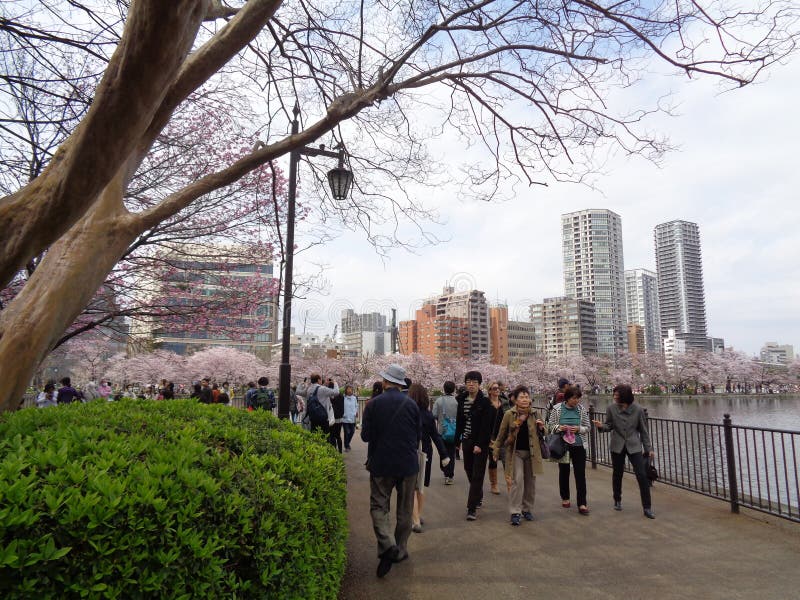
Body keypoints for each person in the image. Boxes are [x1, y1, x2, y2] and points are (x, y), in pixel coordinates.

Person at [361, 364, 420, 578]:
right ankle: (400, 550)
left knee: (379, 506)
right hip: (408, 464)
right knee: (405, 510)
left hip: (382, 464)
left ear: (385, 382)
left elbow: (365, 436)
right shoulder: (412, 405)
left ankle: (387, 545)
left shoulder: (373, 404)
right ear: (401, 383)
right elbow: (417, 435)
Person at [592, 384, 656, 519]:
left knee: (642, 475)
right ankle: (617, 499)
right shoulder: (611, 408)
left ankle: (647, 507)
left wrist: (648, 448)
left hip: (634, 445)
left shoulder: (638, 410)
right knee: (617, 474)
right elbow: (609, 425)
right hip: (618, 445)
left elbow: (644, 431)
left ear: (625, 396)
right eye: (614, 394)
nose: (614, 397)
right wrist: (601, 426)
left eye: (617, 395)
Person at [492, 385, 545, 525]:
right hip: (515, 452)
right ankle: (515, 511)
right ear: (515, 400)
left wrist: (542, 428)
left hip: (532, 453)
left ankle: (527, 509)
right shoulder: (509, 414)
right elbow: (502, 434)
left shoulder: (535, 414)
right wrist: (496, 449)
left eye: (526, 396)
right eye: (521, 397)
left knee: (530, 482)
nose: (524, 399)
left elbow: (544, 434)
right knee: (518, 480)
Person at [408, 383, 450, 533]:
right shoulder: (427, 415)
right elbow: (436, 436)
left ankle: (416, 520)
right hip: (426, 452)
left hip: (410, 452)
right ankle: (418, 515)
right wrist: (444, 454)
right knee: (421, 486)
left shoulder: (407, 413)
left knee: (411, 487)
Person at [455, 370, 495, 521]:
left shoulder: (485, 403)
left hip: (480, 443)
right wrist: (457, 442)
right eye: (468, 382)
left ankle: (471, 508)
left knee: (478, 474)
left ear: (479, 384)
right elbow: (459, 421)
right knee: (468, 470)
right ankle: (477, 493)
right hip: (466, 440)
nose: (471, 384)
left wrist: (480, 444)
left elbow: (486, 426)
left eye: (474, 382)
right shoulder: (461, 399)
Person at [547, 384, 591, 515]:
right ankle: (565, 497)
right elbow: (550, 426)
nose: (576, 401)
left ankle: (582, 503)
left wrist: (579, 429)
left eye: (578, 398)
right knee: (564, 472)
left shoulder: (582, 409)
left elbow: (587, 427)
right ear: (567, 398)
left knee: (580, 474)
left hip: (578, 445)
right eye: (573, 398)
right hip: (563, 445)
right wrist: (560, 428)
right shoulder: (557, 409)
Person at [432, 380, 458, 485]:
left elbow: (433, 415)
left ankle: (446, 472)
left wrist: (441, 417)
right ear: (454, 389)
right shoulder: (457, 402)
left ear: (444, 388)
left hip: (442, 431)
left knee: (443, 452)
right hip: (454, 431)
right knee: (451, 453)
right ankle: (450, 475)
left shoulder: (439, 401)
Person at [486, 381, 505, 495]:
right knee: (493, 460)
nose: (497, 390)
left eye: (498, 388)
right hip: (490, 437)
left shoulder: (503, 403)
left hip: (502, 436)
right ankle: (494, 484)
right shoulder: (486, 404)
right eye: (494, 388)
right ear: (489, 391)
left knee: (506, 460)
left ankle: (509, 483)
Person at [342, 385, 358, 451]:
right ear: (346, 390)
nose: (349, 390)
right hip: (345, 417)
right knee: (347, 432)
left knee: (352, 431)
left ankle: (347, 443)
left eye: (350, 389)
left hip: (352, 417)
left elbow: (356, 406)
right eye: (348, 389)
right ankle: (346, 446)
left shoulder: (354, 398)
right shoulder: (343, 397)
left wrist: (356, 412)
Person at [329, 388, 345, 453]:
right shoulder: (341, 396)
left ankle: (334, 451)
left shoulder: (330, 397)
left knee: (332, 436)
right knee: (338, 435)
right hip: (339, 419)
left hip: (332, 419)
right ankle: (340, 451)